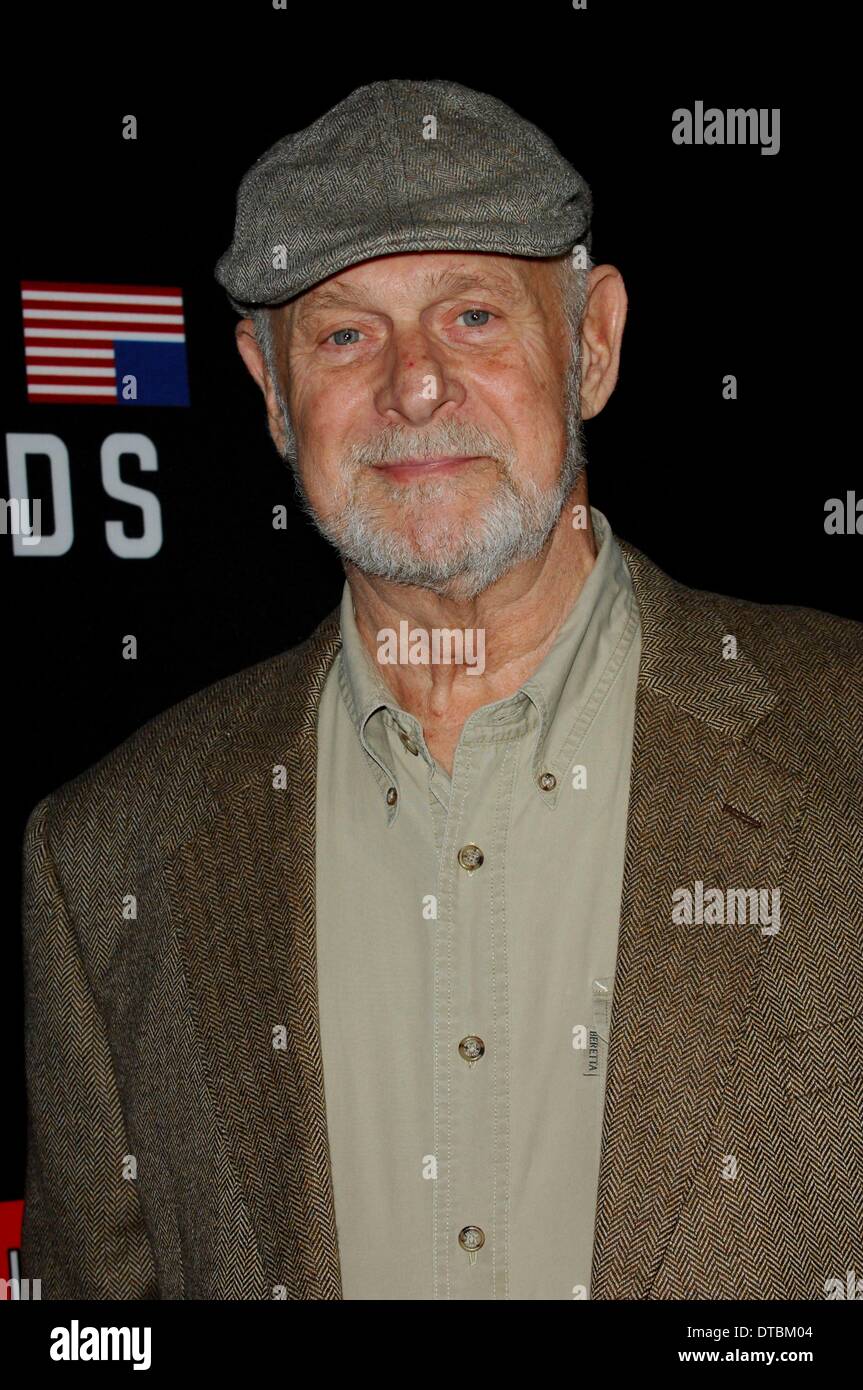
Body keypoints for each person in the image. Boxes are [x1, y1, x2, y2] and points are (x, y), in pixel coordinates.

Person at [20, 78, 863, 1300]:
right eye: (345, 333)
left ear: (591, 344)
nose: (414, 387)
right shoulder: (104, 862)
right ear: (269, 391)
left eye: (472, 316)